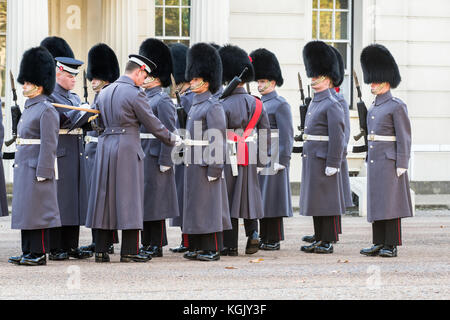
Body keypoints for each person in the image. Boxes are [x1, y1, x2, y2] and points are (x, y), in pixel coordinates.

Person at [85, 54, 181, 263]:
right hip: (127, 147)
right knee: (130, 198)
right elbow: (152, 123)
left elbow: (98, 123)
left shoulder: (104, 92)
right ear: (138, 71)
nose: (143, 80)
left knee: (104, 197)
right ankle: (129, 250)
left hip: (105, 146)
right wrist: (171, 138)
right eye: (143, 75)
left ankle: (101, 250)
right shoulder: (136, 94)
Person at [8, 46, 61, 266]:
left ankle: (38, 252)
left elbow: (49, 143)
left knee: (38, 212)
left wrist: (44, 170)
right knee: (25, 212)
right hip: (24, 165)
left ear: (39, 85)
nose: (24, 86)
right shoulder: (30, 107)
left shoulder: (46, 109)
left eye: (28, 83)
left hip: (37, 167)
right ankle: (27, 250)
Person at [41, 36, 92, 260]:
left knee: (74, 202)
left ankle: (71, 245)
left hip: (75, 150)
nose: (73, 79)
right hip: (60, 151)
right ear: (58, 73)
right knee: (60, 201)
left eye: (75, 75)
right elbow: (59, 119)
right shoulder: (50, 95)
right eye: (70, 75)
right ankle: (55, 246)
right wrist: (80, 113)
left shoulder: (72, 96)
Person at [359, 44, 413, 258]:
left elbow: (404, 136)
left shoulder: (396, 106)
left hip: (390, 161)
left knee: (391, 203)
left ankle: (391, 244)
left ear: (386, 80)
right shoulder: (373, 106)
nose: (372, 83)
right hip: (376, 161)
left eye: (376, 79)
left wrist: (402, 162)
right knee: (377, 201)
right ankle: (378, 242)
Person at [218, 44, 270, 256]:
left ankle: (230, 245)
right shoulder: (256, 103)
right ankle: (254, 233)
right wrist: (262, 161)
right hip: (249, 153)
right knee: (249, 197)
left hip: (229, 153)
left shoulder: (222, 104)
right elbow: (265, 132)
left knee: (228, 198)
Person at [181, 42, 231, 262]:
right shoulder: (195, 104)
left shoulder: (213, 105)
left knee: (208, 205)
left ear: (207, 80)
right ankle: (199, 246)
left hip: (206, 161)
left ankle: (212, 247)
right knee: (196, 205)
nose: (192, 82)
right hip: (194, 159)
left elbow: (217, 138)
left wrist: (215, 166)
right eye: (191, 79)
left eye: (195, 79)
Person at [299, 40, 345, 254]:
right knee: (317, 201)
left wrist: (333, 162)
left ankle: (327, 240)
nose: (313, 78)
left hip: (324, 157)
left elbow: (337, 136)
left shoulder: (332, 103)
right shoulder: (316, 101)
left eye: (317, 75)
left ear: (327, 78)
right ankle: (320, 237)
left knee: (326, 202)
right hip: (313, 157)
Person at [138, 38, 179, 257]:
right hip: (144, 153)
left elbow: (169, 133)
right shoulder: (144, 97)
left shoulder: (162, 101)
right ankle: (147, 242)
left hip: (155, 155)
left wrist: (166, 160)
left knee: (156, 203)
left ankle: (155, 243)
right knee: (145, 201)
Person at [250, 48, 294, 251]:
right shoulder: (258, 102)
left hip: (275, 152)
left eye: (263, 82)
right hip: (260, 150)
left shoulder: (280, 104)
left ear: (273, 82)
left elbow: (287, 134)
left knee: (273, 198)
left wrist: (283, 160)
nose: (259, 85)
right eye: (258, 82)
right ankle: (265, 235)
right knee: (262, 197)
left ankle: (273, 237)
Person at [79, 43, 121, 254]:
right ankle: (100, 239)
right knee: (95, 199)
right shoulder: (99, 96)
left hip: (102, 150)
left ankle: (106, 241)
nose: (92, 81)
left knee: (102, 199)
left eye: (95, 78)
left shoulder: (108, 96)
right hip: (92, 151)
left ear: (105, 77)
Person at [169, 42, 194, 254]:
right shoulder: (184, 97)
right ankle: (186, 239)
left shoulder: (188, 99)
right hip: (182, 151)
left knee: (188, 198)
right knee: (183, 197)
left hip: (188, 152)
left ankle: (190, 240)